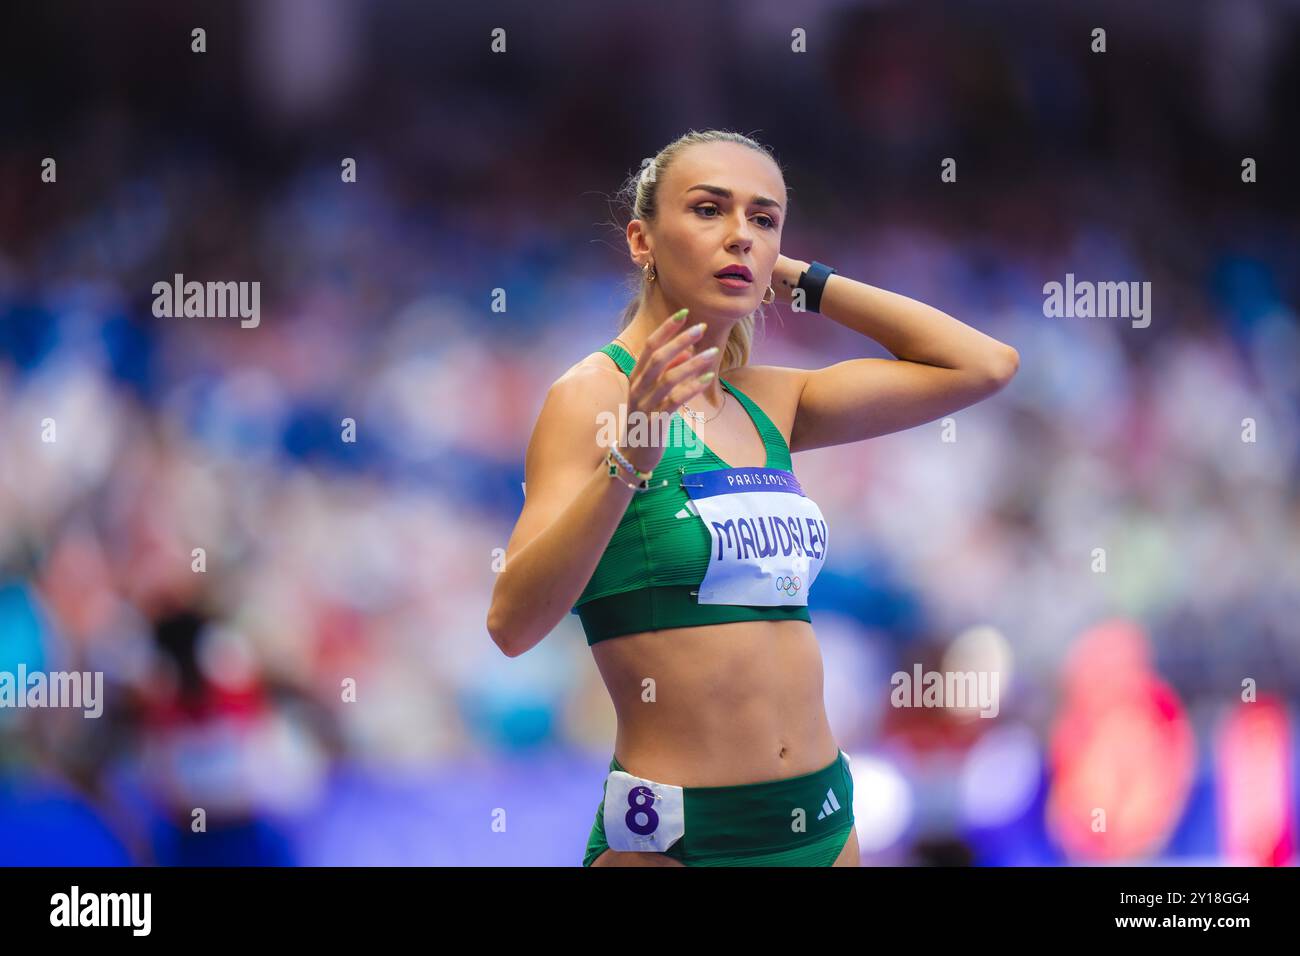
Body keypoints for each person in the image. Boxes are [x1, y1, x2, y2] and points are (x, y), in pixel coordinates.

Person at [486, 129, 1019, 866]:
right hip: (678, 834)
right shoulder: (588, 399)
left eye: (763, 220)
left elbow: (984, 365)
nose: (739, 235)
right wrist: (630, 459)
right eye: (709, 210)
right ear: (641, 241)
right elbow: (513, 623)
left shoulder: (773, 400)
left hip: (821, 819)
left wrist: (799, 277)